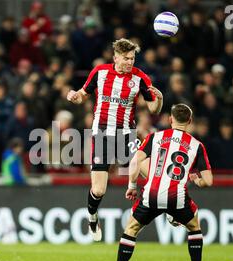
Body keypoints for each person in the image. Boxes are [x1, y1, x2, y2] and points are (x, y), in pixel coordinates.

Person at [104, 104, 213, 261]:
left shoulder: (155, 137)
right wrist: (197, 181)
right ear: (190, 121)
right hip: (177, 197)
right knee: (194, 228)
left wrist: (131, 186)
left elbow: (136, 161)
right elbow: (208, 181)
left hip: (152, 194)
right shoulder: (197, 145)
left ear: (171, 119)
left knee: (131, 229)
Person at [67, 38, 163, 241]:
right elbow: (84, 94)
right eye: (126, 58)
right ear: (116, 57)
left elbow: (153, 109)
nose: (130, 62)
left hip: (127, 133)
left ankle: (173, 208)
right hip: (101, 132)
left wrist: (160, 99)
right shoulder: (100, 72)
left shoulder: (140, 78)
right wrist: (75, 96)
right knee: (99, 189)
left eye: (133, 58)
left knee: (153, 172)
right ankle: (92, 216)